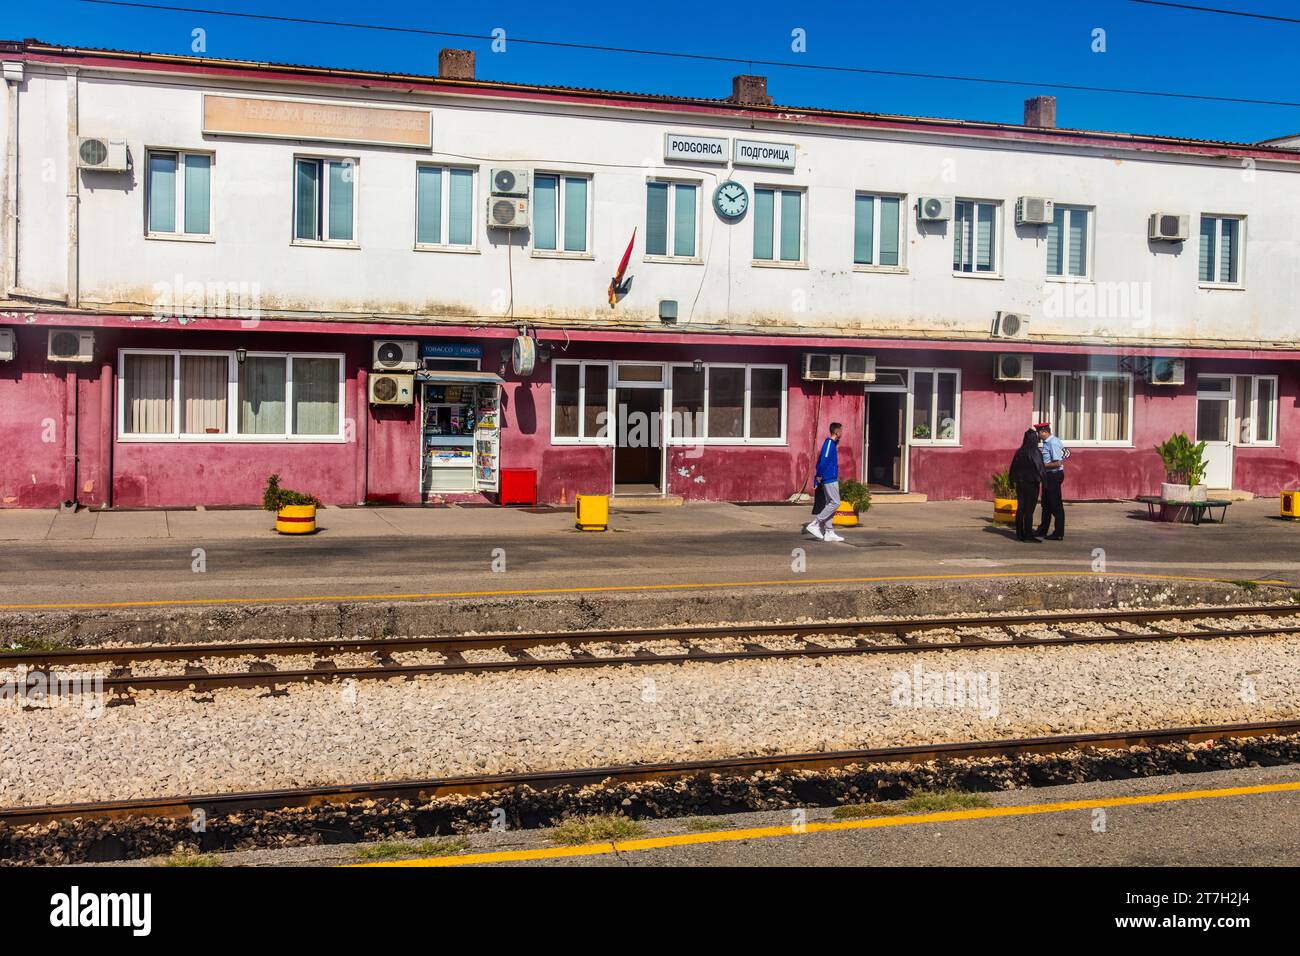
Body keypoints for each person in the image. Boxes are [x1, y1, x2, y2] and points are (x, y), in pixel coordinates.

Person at [806, 422, 845, 543]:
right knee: (835, 503)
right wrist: (818, 476)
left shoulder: (833, 444)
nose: (842, 433)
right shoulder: (829, 443)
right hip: (829, 478)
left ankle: (829, 532)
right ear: (837, 432)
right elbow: (823, 461)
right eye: (841, 431)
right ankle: (816, 523)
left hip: (830, 477)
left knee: (830, 503)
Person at [1009, 428, 1045, 542]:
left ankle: (1019, 534)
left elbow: (1013, 468)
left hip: (1020, 483)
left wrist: (1011, 482)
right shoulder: (1035, 452)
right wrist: (1045, 482)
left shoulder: (1019, 451)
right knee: (1029, 510)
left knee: (1021, 508)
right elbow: (1040, 468)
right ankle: (1028, 535)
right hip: (1032, 483)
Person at [1035, 420, 1066, 540]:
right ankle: (1043, 529)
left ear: (1044, 432)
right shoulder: (1048, 443)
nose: (1038, 435)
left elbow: (1058, 463)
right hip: (1048, 476)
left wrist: (1041, 465)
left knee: (1055, 505)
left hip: (1054, 475)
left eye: (1039, 433)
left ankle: (1058, 533)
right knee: (1046, 505)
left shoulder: (1053, 443)